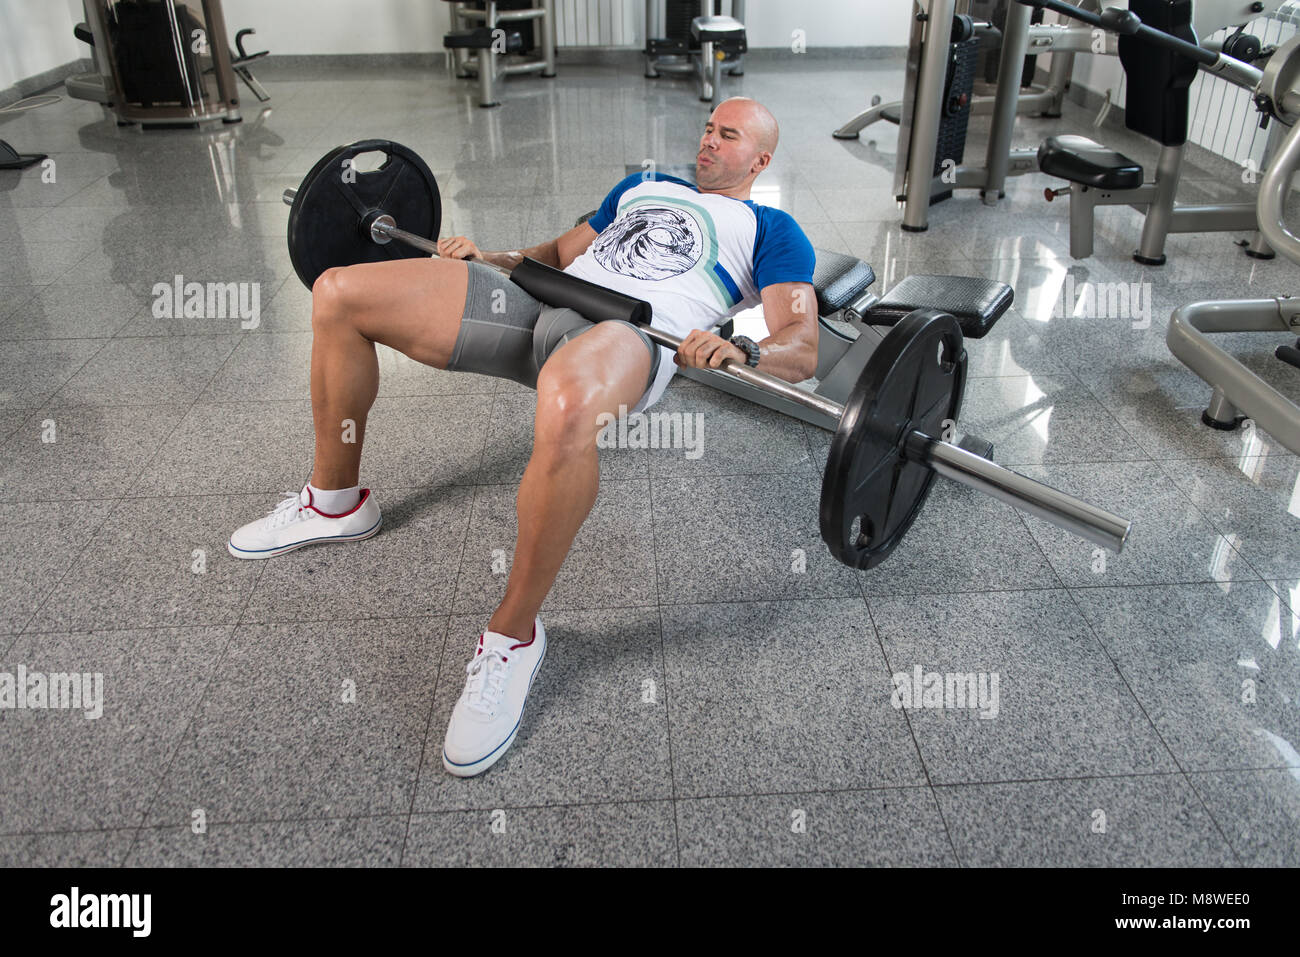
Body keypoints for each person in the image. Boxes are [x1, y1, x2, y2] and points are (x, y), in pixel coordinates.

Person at [228, 96, 818, 776]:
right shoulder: (642, 187)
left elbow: (801, 347)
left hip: (630, 332)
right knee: (336, 290)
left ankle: (513, 636)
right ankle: (334, 501)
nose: (709, 142)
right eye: (709, 128)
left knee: (566, 405)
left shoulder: (773, 227)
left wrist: (742, 350)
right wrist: (487, 255)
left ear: (762, 159)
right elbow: (553, 253)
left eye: (730, 135)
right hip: (539, 298)